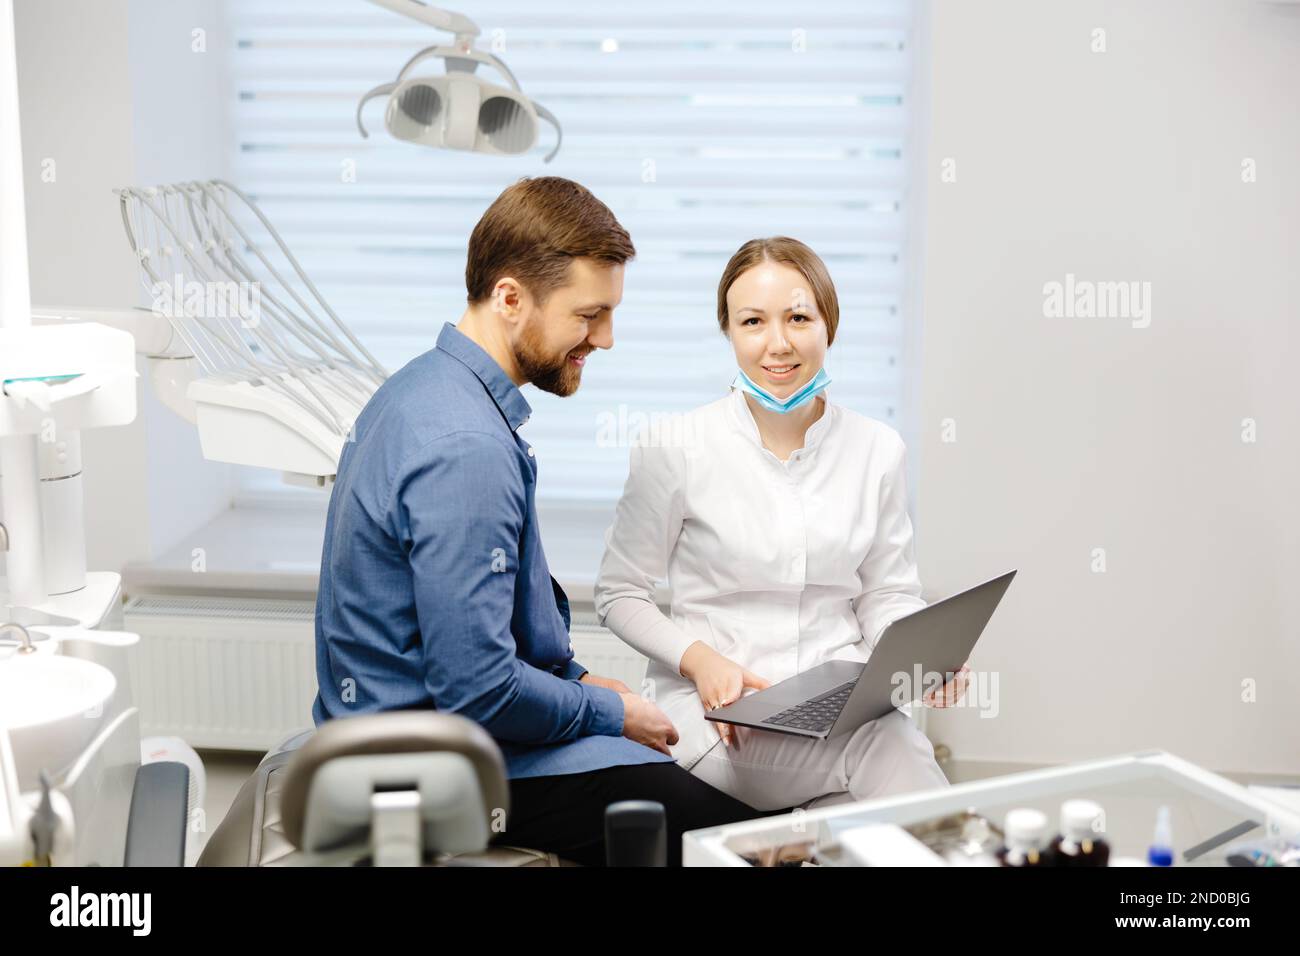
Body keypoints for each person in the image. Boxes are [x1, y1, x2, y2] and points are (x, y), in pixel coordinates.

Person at [312, 177, 764, 865]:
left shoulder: (422, 389)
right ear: (511, 297)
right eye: (589, 315)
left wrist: (577, 683)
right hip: (430, 768)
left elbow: (476, 636)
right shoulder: (466, 448)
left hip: (402, 735)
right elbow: (479, 690)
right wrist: (611, 712)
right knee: (742, 843)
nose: (605, 339)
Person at [595, 236, 968, 812]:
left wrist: (927, 660)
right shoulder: (675, 447)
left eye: (798, 317)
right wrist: (701, 660)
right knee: (890, 756)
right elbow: (620, 593)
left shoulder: (877, 450)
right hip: (723, 717)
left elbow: (886, 595)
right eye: (752, 322)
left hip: (841, 707)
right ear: (729, 333)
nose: (778, 343)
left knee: (876, 795)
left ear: (828, 324)